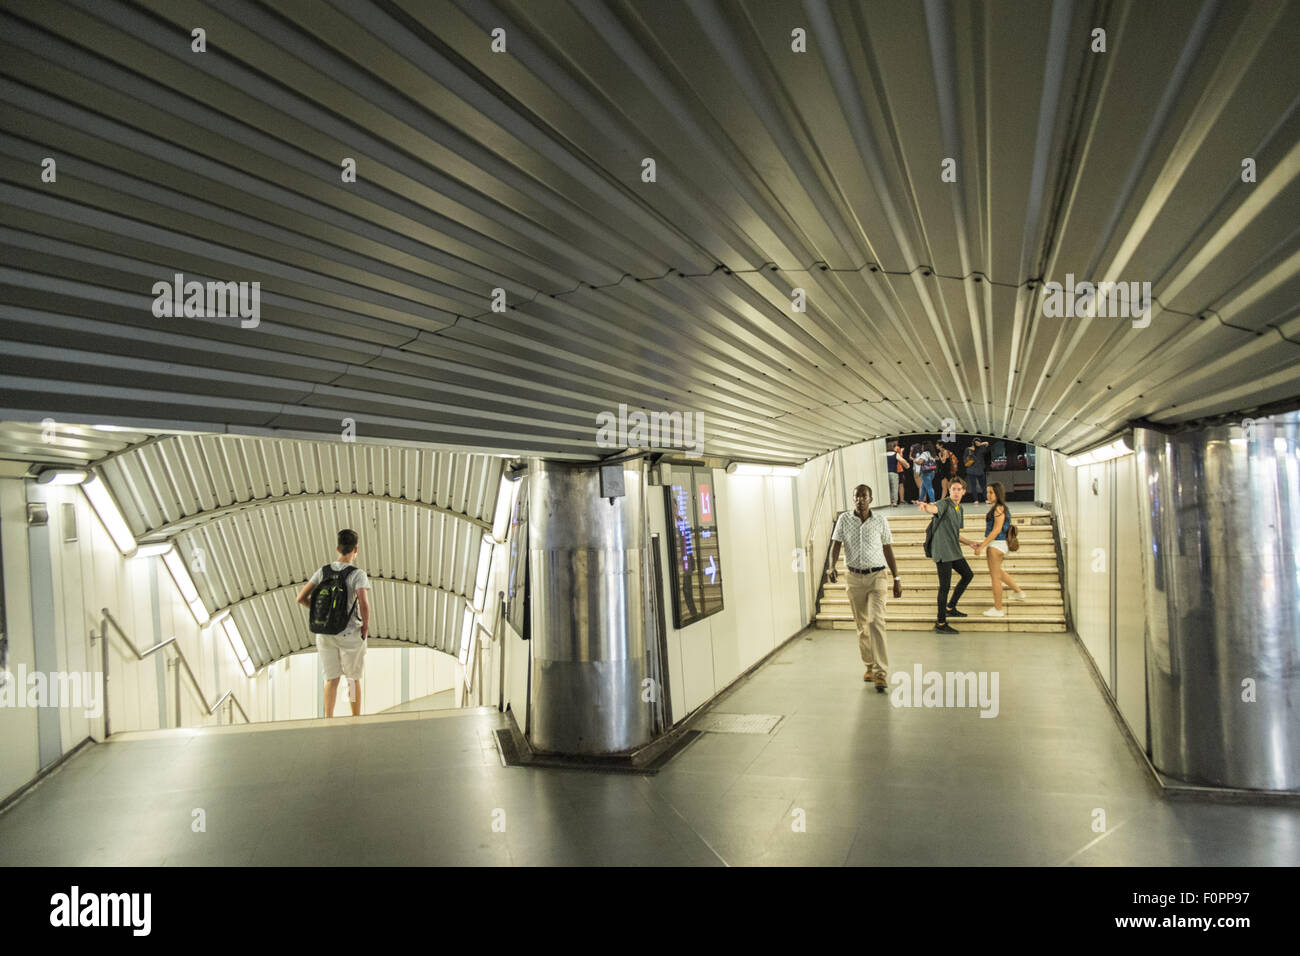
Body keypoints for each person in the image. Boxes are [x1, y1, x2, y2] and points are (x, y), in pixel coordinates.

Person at [828, 484, 902, 692]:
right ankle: (869, 666)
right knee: (862, 626)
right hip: (853, 577)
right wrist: (831, 566)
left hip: (877, 576)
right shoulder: (844, 520)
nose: (860, 499)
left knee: (875, 621)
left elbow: (888, 547)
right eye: (856, 496)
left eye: (864, 496)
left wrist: (897, 577)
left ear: (871, 499)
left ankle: (881, 673)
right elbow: (836, 544)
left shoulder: (880, 520)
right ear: (854, 499)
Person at [296, 529, 371, 717]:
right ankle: (355, 718)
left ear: (337, 547)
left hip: (324, 634)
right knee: (352, 679)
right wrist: (365, 627)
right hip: (350, 634)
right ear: (356, 549)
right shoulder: (357, 574)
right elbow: (364, 603)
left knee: (331, 679)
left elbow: (301, 598)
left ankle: (328, 719)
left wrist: (323, 615)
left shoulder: (323, 571)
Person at [917, 477, 980, 633]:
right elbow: (935, 508)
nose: (956, 492)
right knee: (944, 587)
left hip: (953, 550)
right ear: (949, 490)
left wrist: (969, 542)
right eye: (953, 489)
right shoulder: (945, 503)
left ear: (964, 492)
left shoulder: (959, 508)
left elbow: (955, 532)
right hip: (942, 551)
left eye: (959, 489)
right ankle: (940, 623)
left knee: (968, 575)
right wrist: (926, 507)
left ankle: (950, 606)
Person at [974, 481, 1026, 616]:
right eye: (988, 492)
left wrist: (982, 546)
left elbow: (996, 530)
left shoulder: (998, 508)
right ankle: (1018, 591)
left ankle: (998, 609)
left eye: (991, 492)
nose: (989, 495)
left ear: (998, 493)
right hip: (999, 545)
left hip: (996, 545)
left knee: (995, 577)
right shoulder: (1001, 508)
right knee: (998, 573)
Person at [965, 439, 990, 503]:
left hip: (980, 469)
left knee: (983, 485)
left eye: (978, 442)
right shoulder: (968, 449)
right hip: (971, 469)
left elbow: (987, 443)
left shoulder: (981, 448)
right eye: (975, 442)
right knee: (973, 485)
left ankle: (986, 499)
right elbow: (965, 459)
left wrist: (981, 444)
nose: (977, 444)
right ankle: (976, 500)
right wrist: (970, 453)